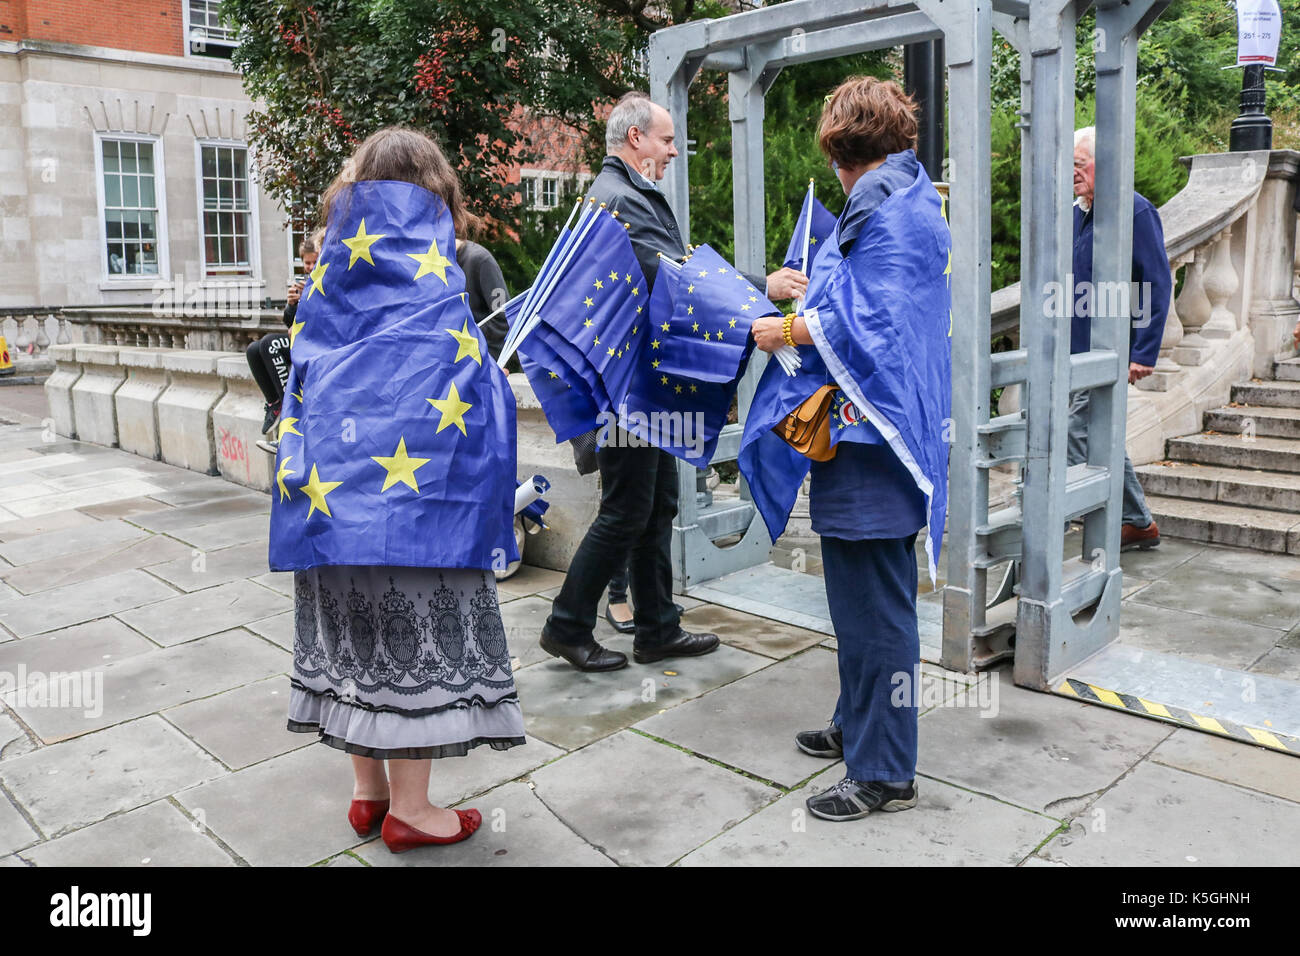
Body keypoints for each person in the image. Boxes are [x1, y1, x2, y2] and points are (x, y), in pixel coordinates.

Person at [275, 127, 525, 852]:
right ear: (433, 195)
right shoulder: (432, 274)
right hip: (415, 513)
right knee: (412, 639)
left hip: (329, 502)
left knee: (356, 636)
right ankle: (412, 812)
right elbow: (467, 386)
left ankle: (368, 794)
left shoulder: (329, 273)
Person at [539, 91, 808, 672]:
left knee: (654, 503)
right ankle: (566, 624)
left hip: (641, 387)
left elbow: (679, 268)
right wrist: (763, 288)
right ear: (635, 138)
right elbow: (679, 275)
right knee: (627, 509)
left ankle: (657, 626)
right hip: (627, 393)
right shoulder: (618, 199)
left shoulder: (625, 194)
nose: (674, 152)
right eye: (667, 140)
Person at [747, 77, 951, 821]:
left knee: (876, 615)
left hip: (873, 447)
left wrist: (787, 329)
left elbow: (873, 327)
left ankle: (885, 771)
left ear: (843, 149)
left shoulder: (888, 214)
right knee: (863, 602)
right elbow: (873, 311)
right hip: (879, 438)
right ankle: (855, 723)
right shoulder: (908, 200)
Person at [1070, 126, 1171, 551]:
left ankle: (1073, 509)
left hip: (1109, 351)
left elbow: (1156, 281)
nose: (1072, 173)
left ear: (1104, 165)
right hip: (1075, 350)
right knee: (1101, 434)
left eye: (1078, 165)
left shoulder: (1135, 211)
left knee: (1071, 431)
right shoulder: (1078, 211)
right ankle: (1137, 522)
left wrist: (1142, 350)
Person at [251, 231, 320, 455]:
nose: (310, 267)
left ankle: (288, 415)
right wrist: (291, 305)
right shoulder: (306, 282)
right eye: (306, 263)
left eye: (314, 262)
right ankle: (275, 405)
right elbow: (290, 323)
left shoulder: (326, 281)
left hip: (315, 342)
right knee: (254, 350)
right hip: (302, 339)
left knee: (270, 344)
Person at [457, 225, 510, 361]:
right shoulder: (435, 265)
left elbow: (503, 318)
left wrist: (460, 338)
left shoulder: (480, 260)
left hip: (481, 360)